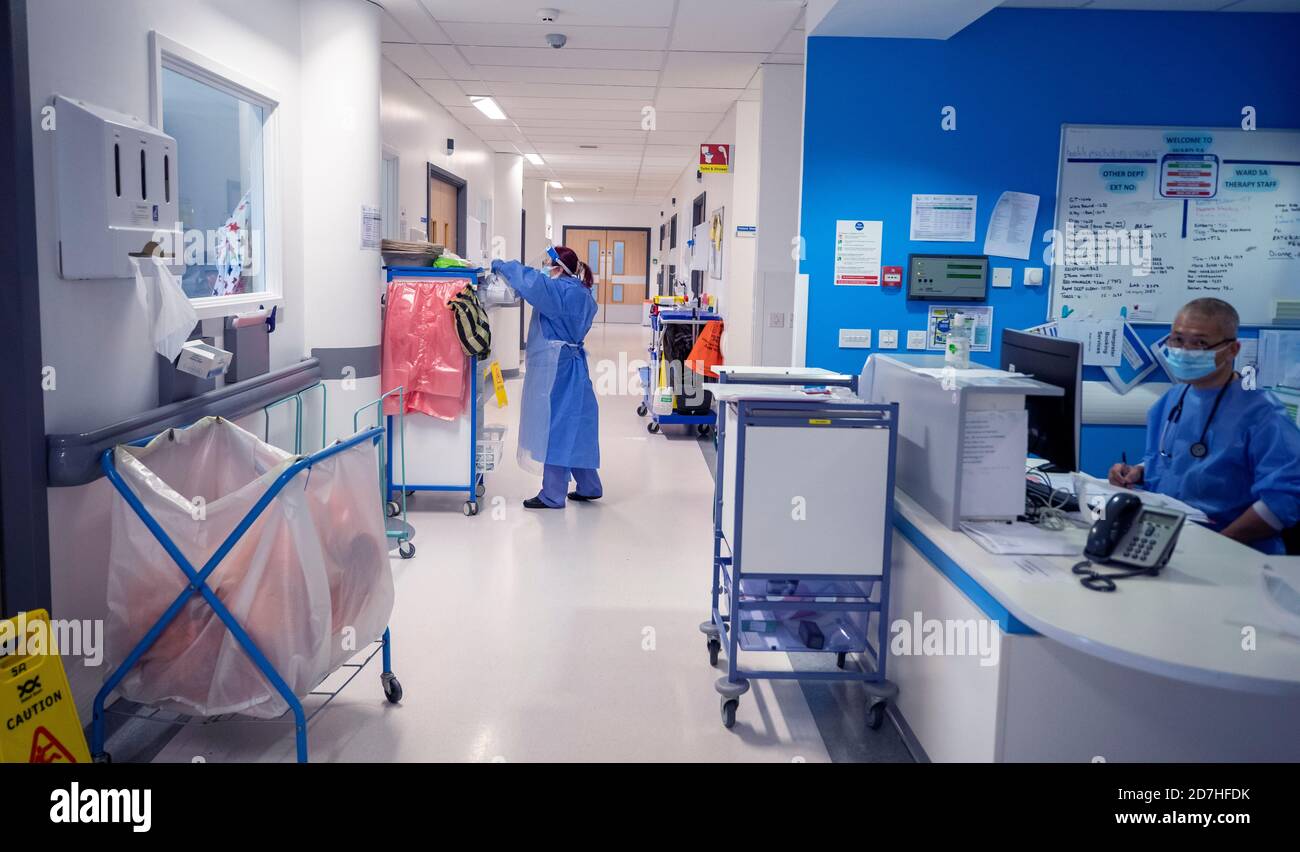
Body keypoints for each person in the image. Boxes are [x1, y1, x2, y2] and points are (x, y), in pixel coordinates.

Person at [1108, 298, 1300, 554]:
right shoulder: (1174, 398)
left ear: (1232, 350)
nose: (1184, 351)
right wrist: (1137, 472)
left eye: (1200, 343)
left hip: (1236, 553)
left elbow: (1283, 499)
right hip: (1170, 538)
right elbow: (1173, 459)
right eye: (1177, 340)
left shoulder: (1263, 413)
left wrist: (1220, 544)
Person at [491, 247, 602, 509]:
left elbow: (529, 280)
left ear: (557, 267)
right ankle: (589, 485)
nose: (543, 268)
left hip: (557, 366)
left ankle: (552, 494)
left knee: (557, 426)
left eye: (546, 264)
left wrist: (502, 265)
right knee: (576, 424)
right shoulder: (582, 293)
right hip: (575, 364)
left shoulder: (558, 292)